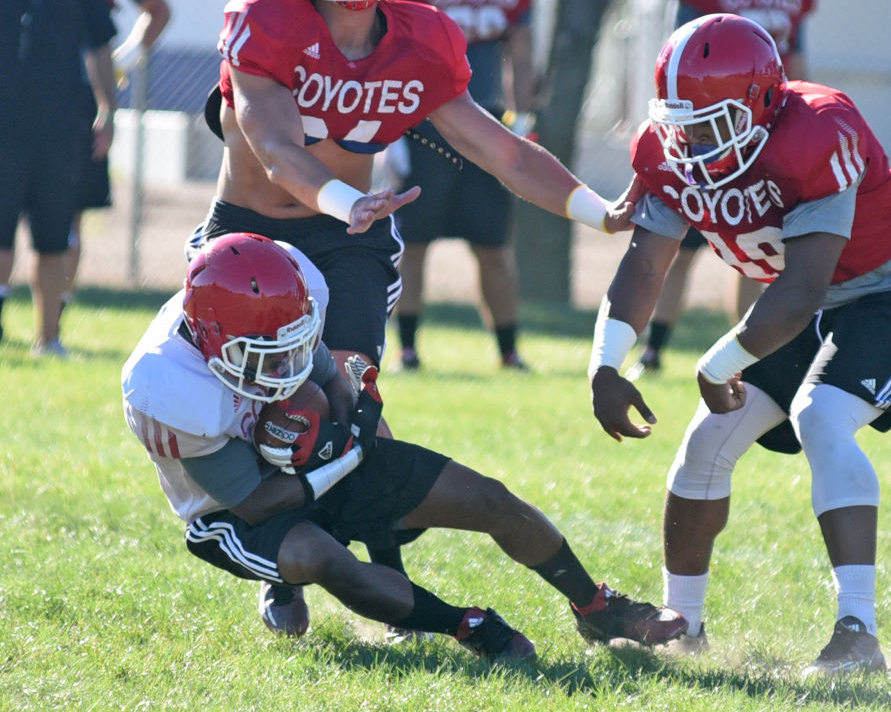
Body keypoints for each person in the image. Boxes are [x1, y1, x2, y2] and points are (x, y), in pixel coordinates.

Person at [190, 0, 634, 634]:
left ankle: (388, 580)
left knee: (349, 401)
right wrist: (346, 199)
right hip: (250, 236)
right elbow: (274, 150)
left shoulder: (421, 36)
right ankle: (285, 568)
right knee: (260, 404)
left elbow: (504, 152)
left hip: (347, 240)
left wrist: (599, 211)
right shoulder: (268, 19)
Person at [588, 13, 891, 674]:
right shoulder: (667, 153)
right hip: (803, 301)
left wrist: (718, 363)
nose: (692, 141)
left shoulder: (816, 130)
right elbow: (645, 266)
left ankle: (858, 635)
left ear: (762, 103)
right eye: (682, 123)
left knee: (822, 416)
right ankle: (683, 628)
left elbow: (804, 286)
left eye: (712, 123)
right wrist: (604, 366)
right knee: (706, 442)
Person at [122, 232, 687, 658]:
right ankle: (463, 624)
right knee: (320, 557)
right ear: (213, 341)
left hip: (319, 460)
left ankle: (595, 606)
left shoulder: (290, 292)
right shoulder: (166, 384)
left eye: (289, 344)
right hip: (236, 513)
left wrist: (351, 412)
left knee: (487, 498)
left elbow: (327, 378)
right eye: (265, 354)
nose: (284, 365)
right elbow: (251, 500)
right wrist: (344, 454)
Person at [628, 0, 817, 379]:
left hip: (765, 128)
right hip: (707, 130)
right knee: (682, 245)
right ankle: (653, 349)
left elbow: (797, 57)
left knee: (761, 248)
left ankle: (751, 353)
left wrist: (803, 113)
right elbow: (675, 57)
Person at [392, 0, 538, 371]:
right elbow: (390, 50)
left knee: (493, 244)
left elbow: (521, 51)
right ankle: (407, 349)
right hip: (423, 123)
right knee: (412, 240)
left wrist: (525, 117)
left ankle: (509, 352)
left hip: (488, 122)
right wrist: (390, 128)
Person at [48, 0, 172, 325]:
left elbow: (157, 10)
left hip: (80, 93)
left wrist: (126, 58)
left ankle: (54, 314)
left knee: (70, 210)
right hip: (19, 89)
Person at [0, 0, 117, 355]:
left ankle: (49, 338)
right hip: (4, 127)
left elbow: (100, 46)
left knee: (53, 237)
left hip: (60, 128)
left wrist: (108, 110)